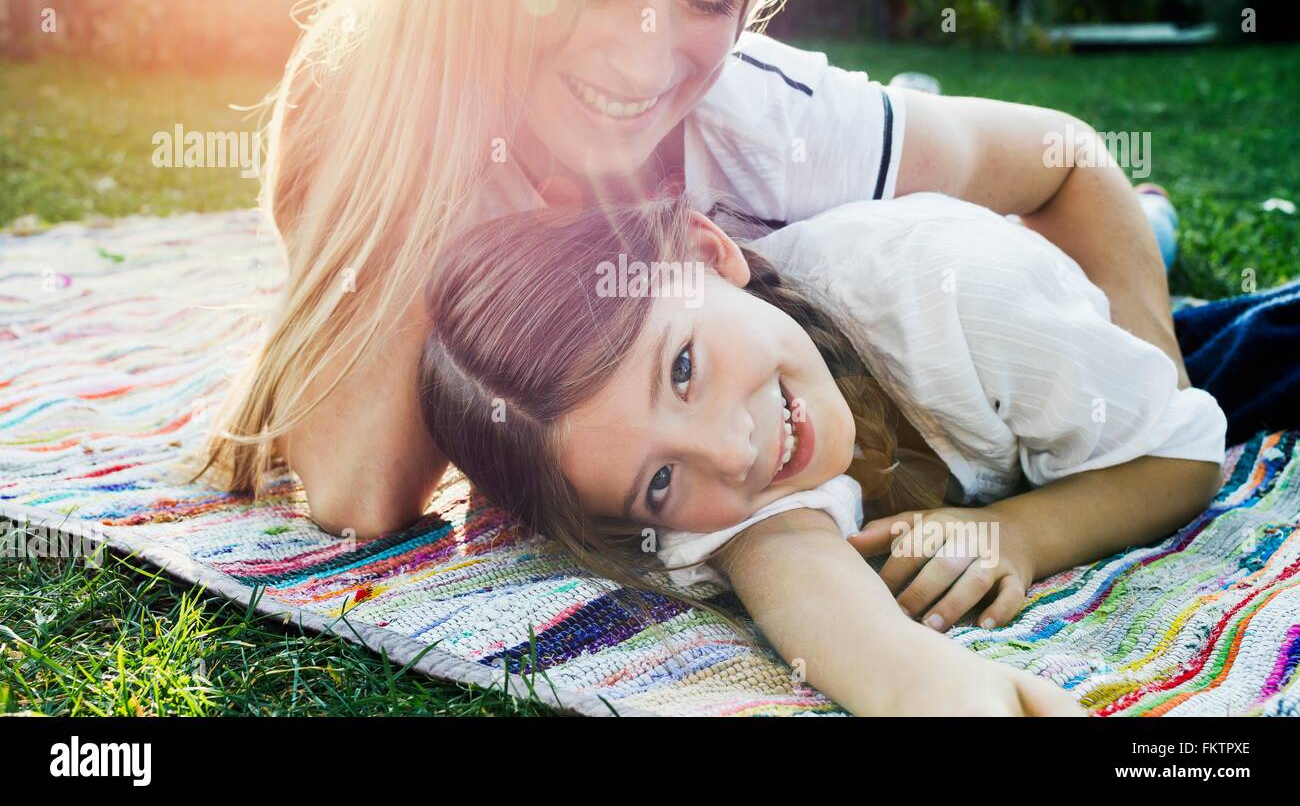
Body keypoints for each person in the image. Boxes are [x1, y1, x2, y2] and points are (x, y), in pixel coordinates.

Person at [196, 0, 1188, 543]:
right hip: (851, 287)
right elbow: (362, 490)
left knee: (1100, 247)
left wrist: (1157, 403)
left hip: (923, 261)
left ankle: (1157, 221)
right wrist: (447, 114)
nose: (643, 59)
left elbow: (1065, 156)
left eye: (709, 0)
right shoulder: (365, 111)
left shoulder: (764, 117)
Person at [415, 192, 1226, 715]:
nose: (732, 454)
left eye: (684, 369)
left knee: (1183, 279)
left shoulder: (967, 292)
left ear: (707, 256)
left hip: (1036, 269)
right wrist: (925, 688)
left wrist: (1023, 532)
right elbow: (795, 566)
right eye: (661, 481)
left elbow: (1185, 453)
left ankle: (1151, 210)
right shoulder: (670, 472)